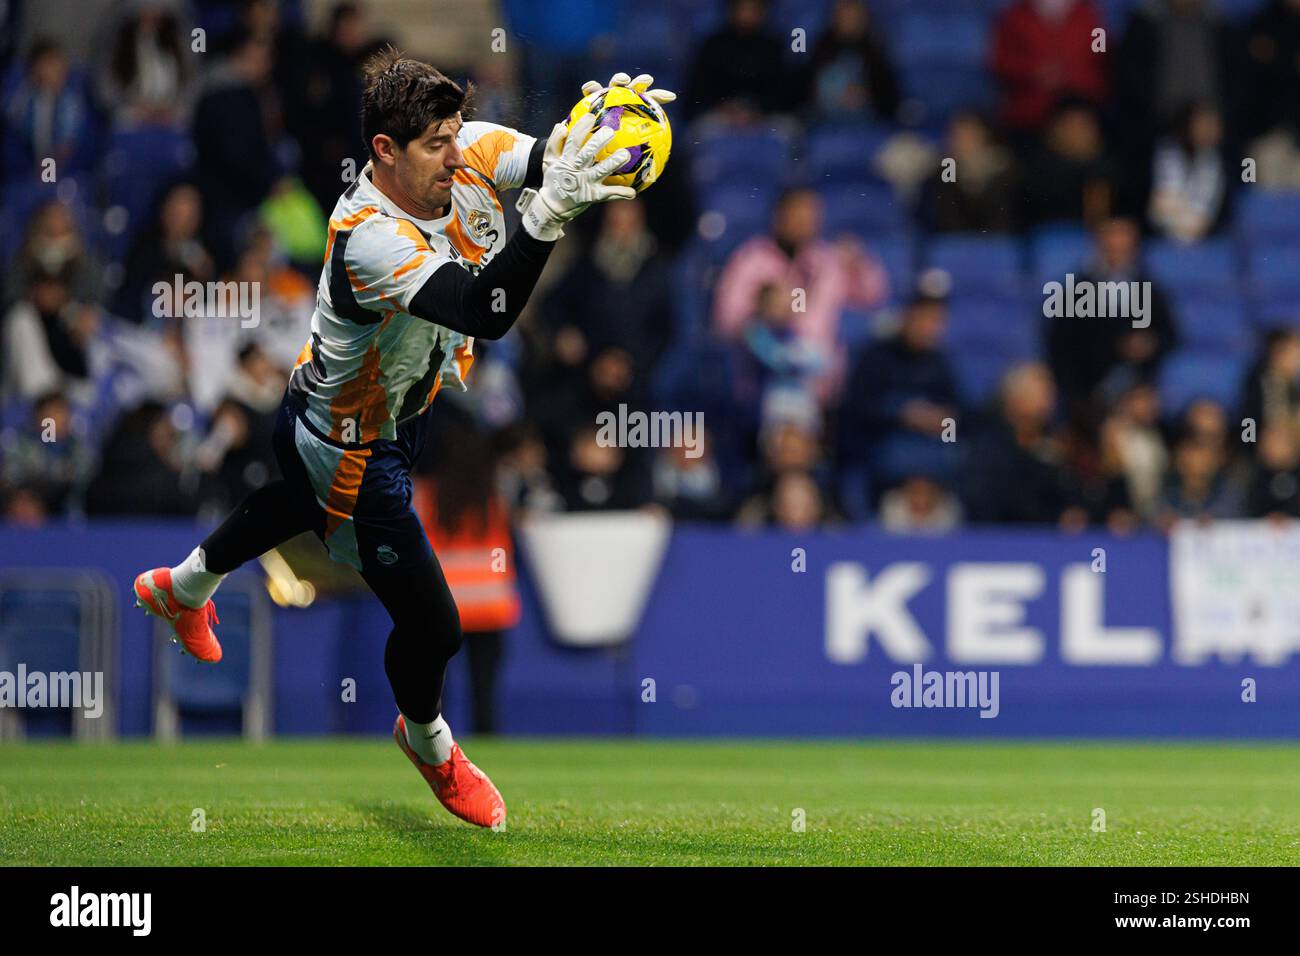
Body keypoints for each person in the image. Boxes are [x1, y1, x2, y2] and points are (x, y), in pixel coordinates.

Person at [131, 53, 670, 829]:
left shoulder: (469, 148)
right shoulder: (368, 238)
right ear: (383, 150)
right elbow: (484, 308)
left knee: (293, 501)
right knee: (435, 626)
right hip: (351, 447)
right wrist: (546, 218)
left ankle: (182, 587)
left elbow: (558, 160)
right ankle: (430, 743)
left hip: (352, 405)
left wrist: (610, 131)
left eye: (456, 134)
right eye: (434, 144)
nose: (457, 154)